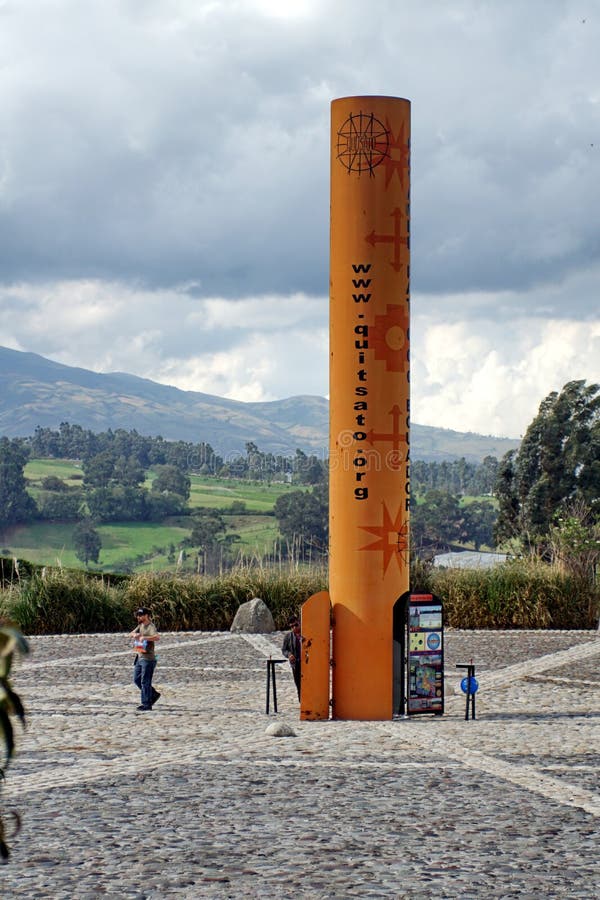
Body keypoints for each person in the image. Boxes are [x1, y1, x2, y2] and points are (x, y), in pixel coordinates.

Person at [130, 607, 161, 711]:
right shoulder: (140, 625)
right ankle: (153, 694)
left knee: (145, 681)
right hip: (139, 656)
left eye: (141, 615)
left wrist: (146, 638)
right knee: (136, 679)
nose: (138, 617)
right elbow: (131, 633)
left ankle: (147, 704)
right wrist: (136, 635)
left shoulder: (151, 626)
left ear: (147, 615)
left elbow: (157, 637)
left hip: (148, 658)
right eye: (138, 615)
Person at [282, 616, 302, 699]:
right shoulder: (288, 637)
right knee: (298, 684)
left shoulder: (307, 633)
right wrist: (289, 655)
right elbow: (284, 649)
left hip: (307, 663)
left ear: (299, 623)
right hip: (296, 664)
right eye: (291, 626)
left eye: (296, 625)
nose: (294, 628)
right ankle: (302, 702)